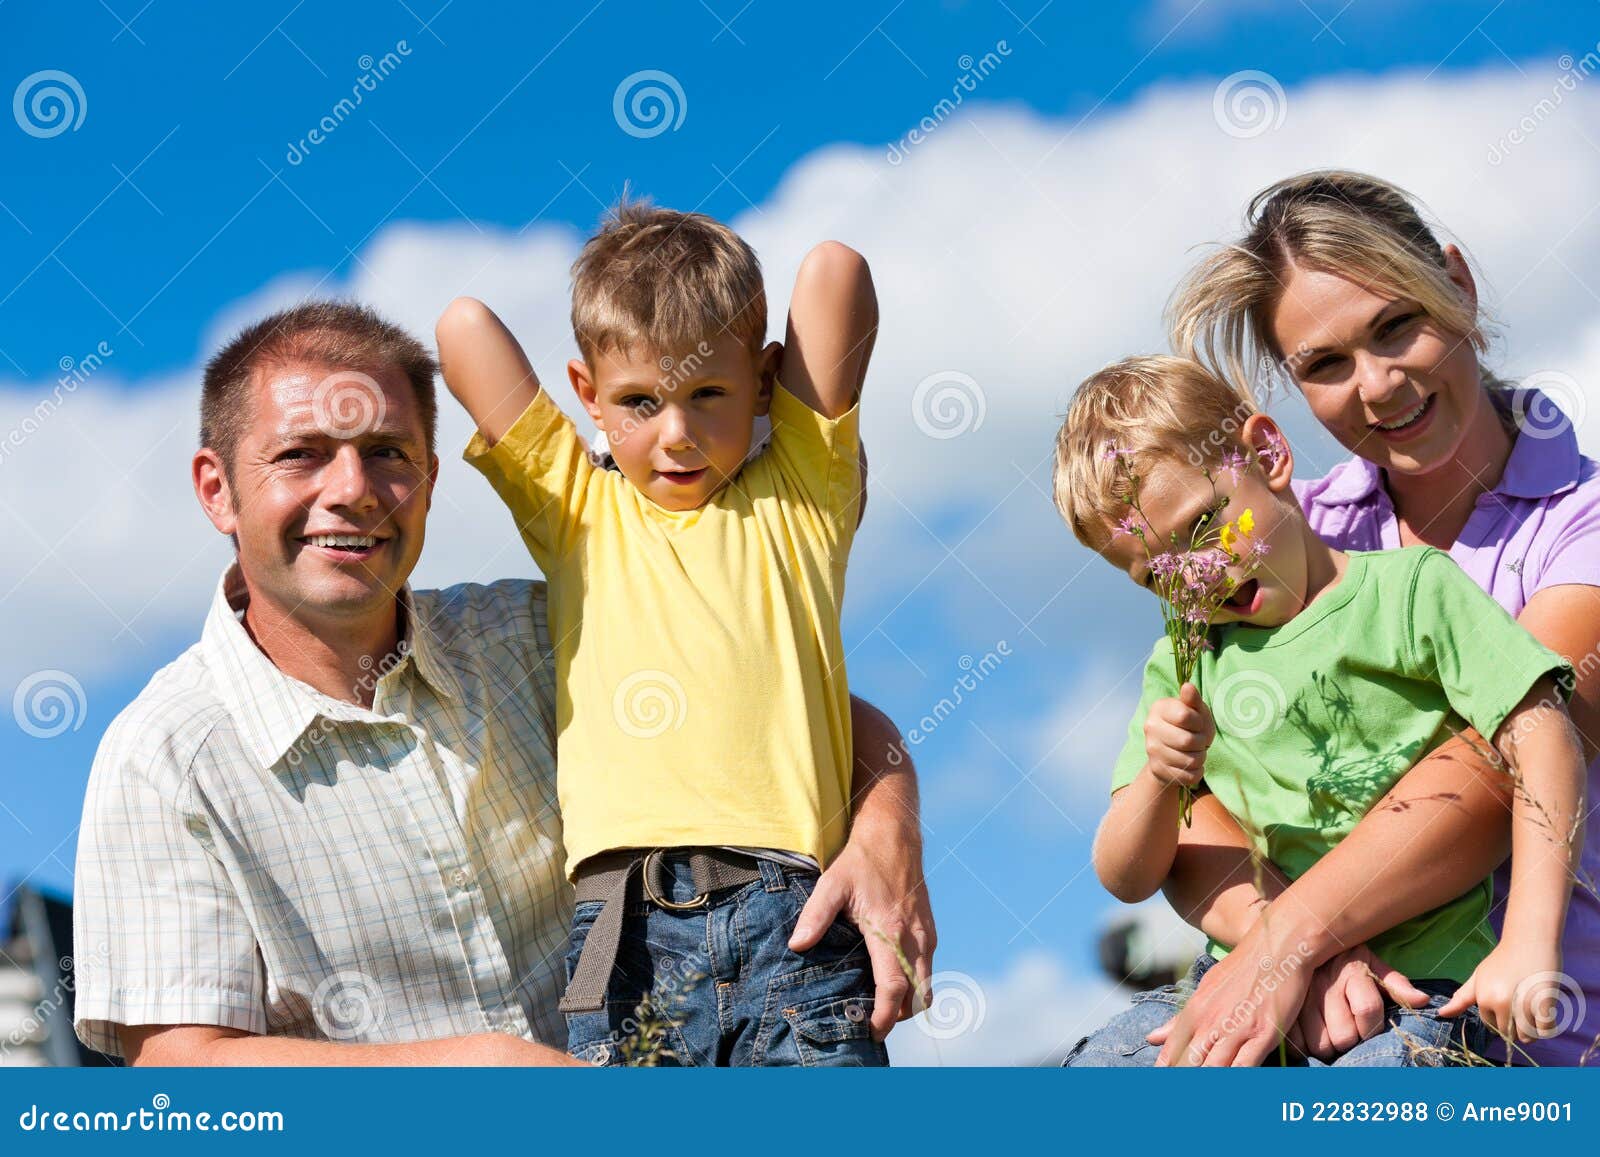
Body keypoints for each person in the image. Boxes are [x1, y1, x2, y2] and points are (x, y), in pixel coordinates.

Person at [71, 300, 934, 1065]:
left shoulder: (533, 632)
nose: (354, 490)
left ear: (432, 481)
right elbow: (180, 1062)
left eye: (387, 452)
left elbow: (794, 703)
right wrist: (466, 1075)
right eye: (300, 455)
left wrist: (887, 828)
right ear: (216, 490)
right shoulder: (163, 755)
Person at [1146, 169, 1600, 1067]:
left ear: (1458, 285)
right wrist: (1297, 945)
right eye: (1324, 364)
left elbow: (1488, 772)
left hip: (1538, 1039)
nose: (1380, 384)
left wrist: (1293, 941)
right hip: (1318, 1018)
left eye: (1398, 326)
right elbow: (1190, 796)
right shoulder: (1273, 536)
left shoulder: (1585, 522)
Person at [437, 199, 894, 1066]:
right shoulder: (576, 509)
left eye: (707, 394)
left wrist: (766, 409)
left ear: (763, 382)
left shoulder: (801, 494)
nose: (676, 433)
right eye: (639, 401)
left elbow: (835, 270)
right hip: (625, 933)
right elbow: (462, 329)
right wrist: (613, 417)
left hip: (792, 917)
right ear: (587, 395)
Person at [1052, 355, 1582, 1066]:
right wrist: (1157, 778)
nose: (1195, 575)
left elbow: (1544, 736)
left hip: (1420, 994)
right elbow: (1126, 873)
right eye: (1157, 574)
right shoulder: (1184, 664)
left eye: (1203, 525)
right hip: (1238, 980)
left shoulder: (1414, 590)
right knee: (1098, 1070)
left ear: (1268, 453)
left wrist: (1528, 936)